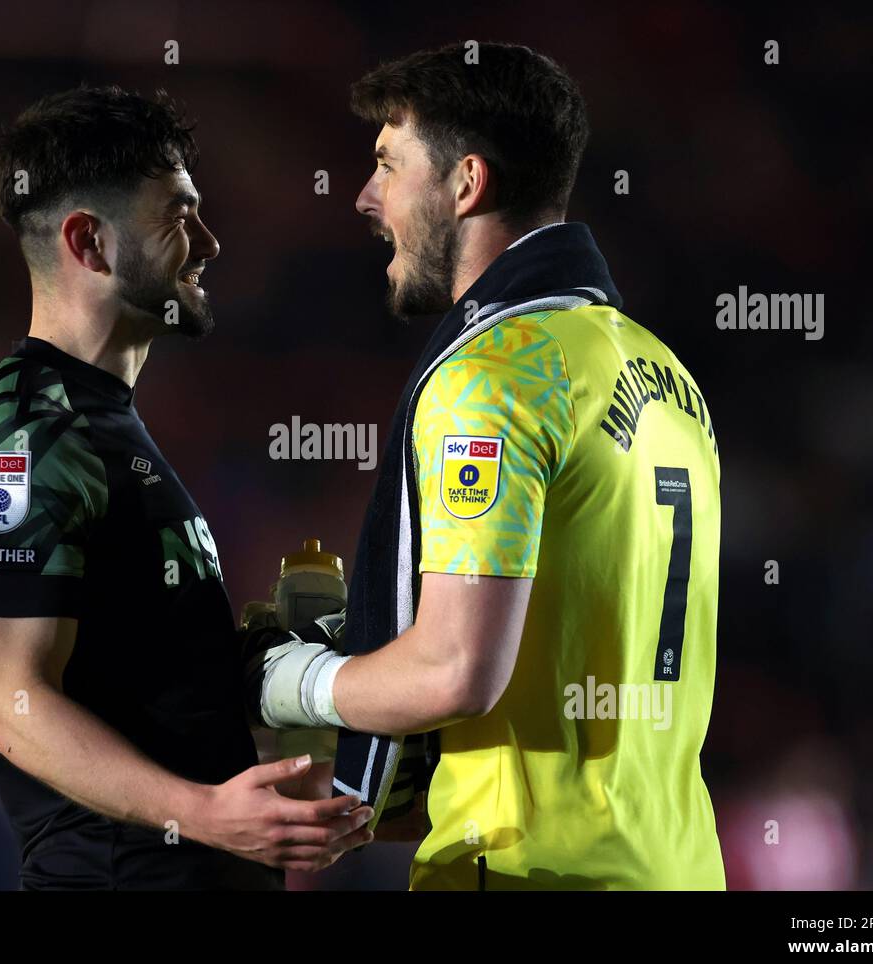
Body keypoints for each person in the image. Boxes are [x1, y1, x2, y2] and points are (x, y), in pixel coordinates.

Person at [249, 43, 725, 890]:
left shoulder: (493, 374)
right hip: (675, 864)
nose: (366, 198)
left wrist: (296, 683)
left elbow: (457, 668)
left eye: (388, 166)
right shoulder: (666, 374)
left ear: (466, 184)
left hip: (525, 870)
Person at [0, 84, 372, 890]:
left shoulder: (103, 424)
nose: (209, 240)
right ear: (89, 242)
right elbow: (13, 704)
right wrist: (204, 813)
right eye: (178, 215)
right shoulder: (25, 430)